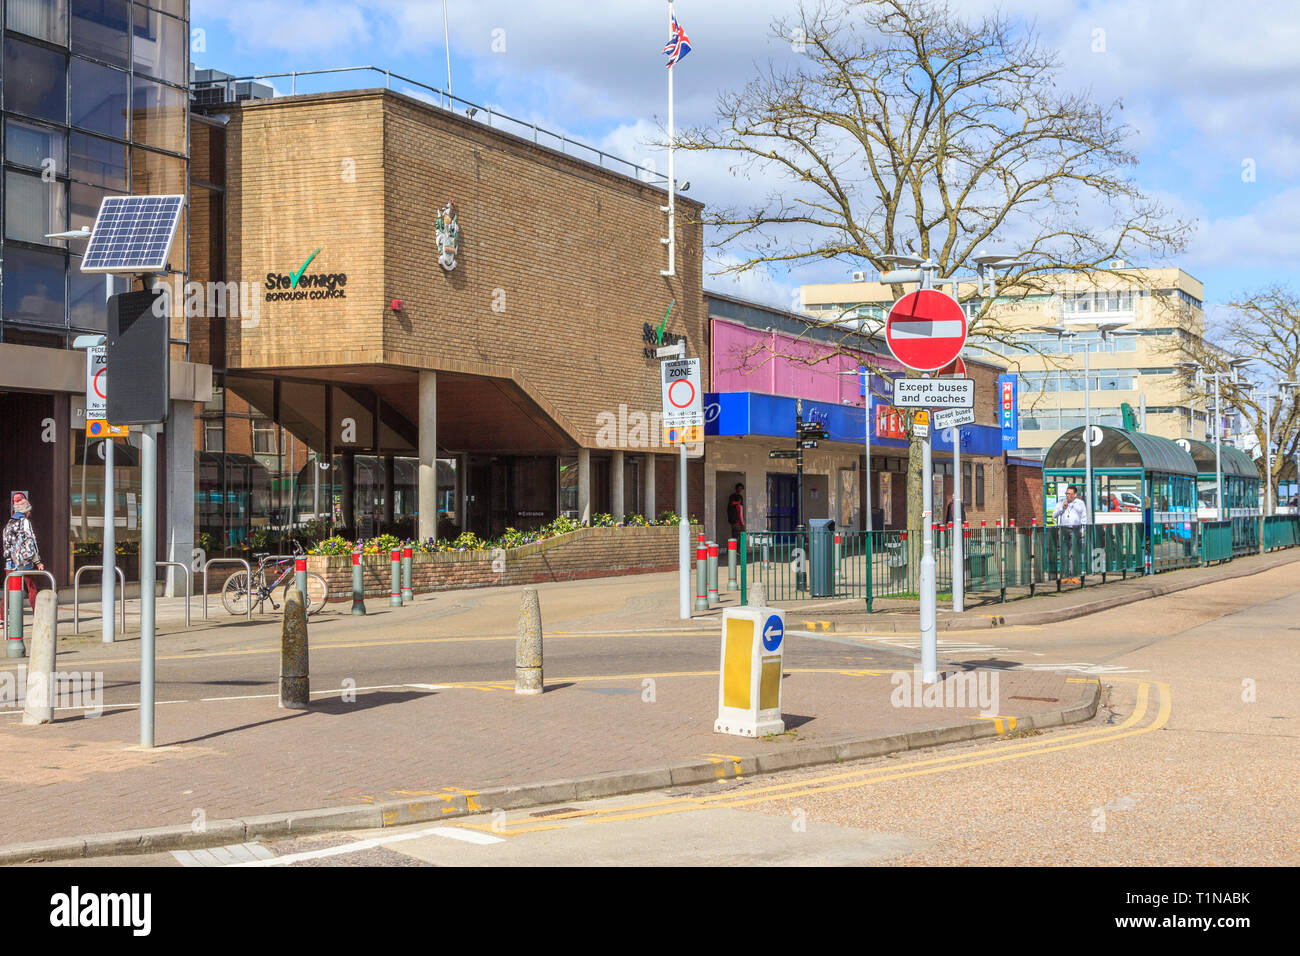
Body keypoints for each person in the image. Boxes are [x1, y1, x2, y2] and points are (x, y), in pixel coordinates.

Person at [3, 490, 44, 611]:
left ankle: (1, 618)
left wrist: (9, 559)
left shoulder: (9, 523)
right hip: (24, 562)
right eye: (28, 510)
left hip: (10, 563)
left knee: (10, 590)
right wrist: (37, 562)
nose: (29, 513)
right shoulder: (25, 522)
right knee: (31, 587)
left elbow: (6, 543)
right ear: (25, 511)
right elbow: (31, 542)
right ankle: (36, 614)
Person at [1052, 485, 1089, 584]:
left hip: (1075, 530)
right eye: (1067, 493)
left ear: (1075, 494)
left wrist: (1082, 531)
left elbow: (1084, 517)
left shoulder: (1080, 503)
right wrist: (1062, 508)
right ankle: (1064, 575)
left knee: (1074, 553)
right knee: (1064, 553)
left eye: (1070, 494)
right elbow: (1054, 515)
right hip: (1064, 529)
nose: (1068, 496)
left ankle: (1074, 575)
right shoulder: (1061, 502)